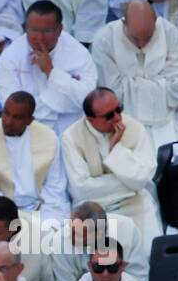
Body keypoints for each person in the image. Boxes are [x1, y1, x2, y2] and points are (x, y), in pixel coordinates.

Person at [61, 86, 161, 257]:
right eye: (109, 115)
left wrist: (115, 150)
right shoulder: (71, 137)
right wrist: (128, 184)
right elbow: (81, 189)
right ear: (90, 119)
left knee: (149, 255)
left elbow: (143, 179)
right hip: (93, 211)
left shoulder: (135, 127)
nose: (117, 117)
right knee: (102, 263)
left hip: (135, 204)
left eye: (118, 109)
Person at [91, 1, 178, 148]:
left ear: (155, 22)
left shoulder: (169, 32)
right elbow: (112, 93)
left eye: (148, 37)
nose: (141, 44)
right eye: (136, 38)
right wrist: (160, 84)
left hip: (169, 117)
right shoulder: (104, 39)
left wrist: (130, 84)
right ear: (124, 23)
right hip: (122, 119)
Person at [0, 0, 96, 137]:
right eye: (34, 30)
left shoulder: (79, 53)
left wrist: (51, 72)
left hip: (71, 129)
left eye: (47, 31)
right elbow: (12, 106)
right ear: (26, 27)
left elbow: (86, 100)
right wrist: (60, 104)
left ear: (60, 29)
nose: (40, 38)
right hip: (27, 130)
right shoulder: (10, 56)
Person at [0, 91, 70, 223]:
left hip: (41, 214)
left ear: (30, 120)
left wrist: (47, 225)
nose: (8, 121)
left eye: (17, 117)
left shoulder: (48, 138)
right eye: (6, 112)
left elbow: (55, 190)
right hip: (2, 218)